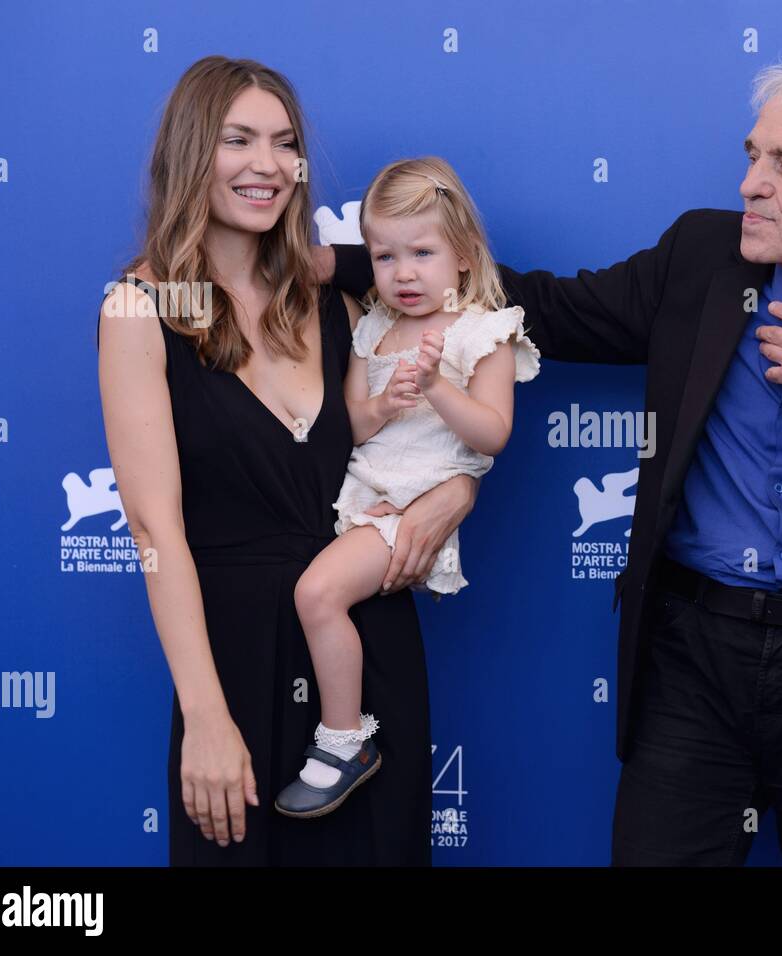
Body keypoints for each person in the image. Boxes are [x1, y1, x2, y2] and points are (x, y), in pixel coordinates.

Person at [324, 40, 782, 865]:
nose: (749, 183)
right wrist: (325, 264)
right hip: (695, 659)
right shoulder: (702, 256)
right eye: (752, 154)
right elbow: (546, 305)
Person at [96, 56, 477, 865]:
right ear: (192, 152)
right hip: (230, 668)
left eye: (284, 142)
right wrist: (204, 711)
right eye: (239, 140)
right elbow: (152, 524)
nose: (266, 164)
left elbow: (457, 391)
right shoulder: (142, 307)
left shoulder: (342, 299)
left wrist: (455, 496)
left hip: (366, 660)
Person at [274, 158, 539, 819]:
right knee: (308, 595)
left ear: (464, 254)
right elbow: (351, 423)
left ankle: (343, 741)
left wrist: (437, 389)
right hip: (360, 493)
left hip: (410, 511)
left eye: (422, 252)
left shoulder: (485, 330)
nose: (403, 272)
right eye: (385, 256)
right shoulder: (372, 327)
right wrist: (386, 404)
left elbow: (493, 433)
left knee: (316, 592)